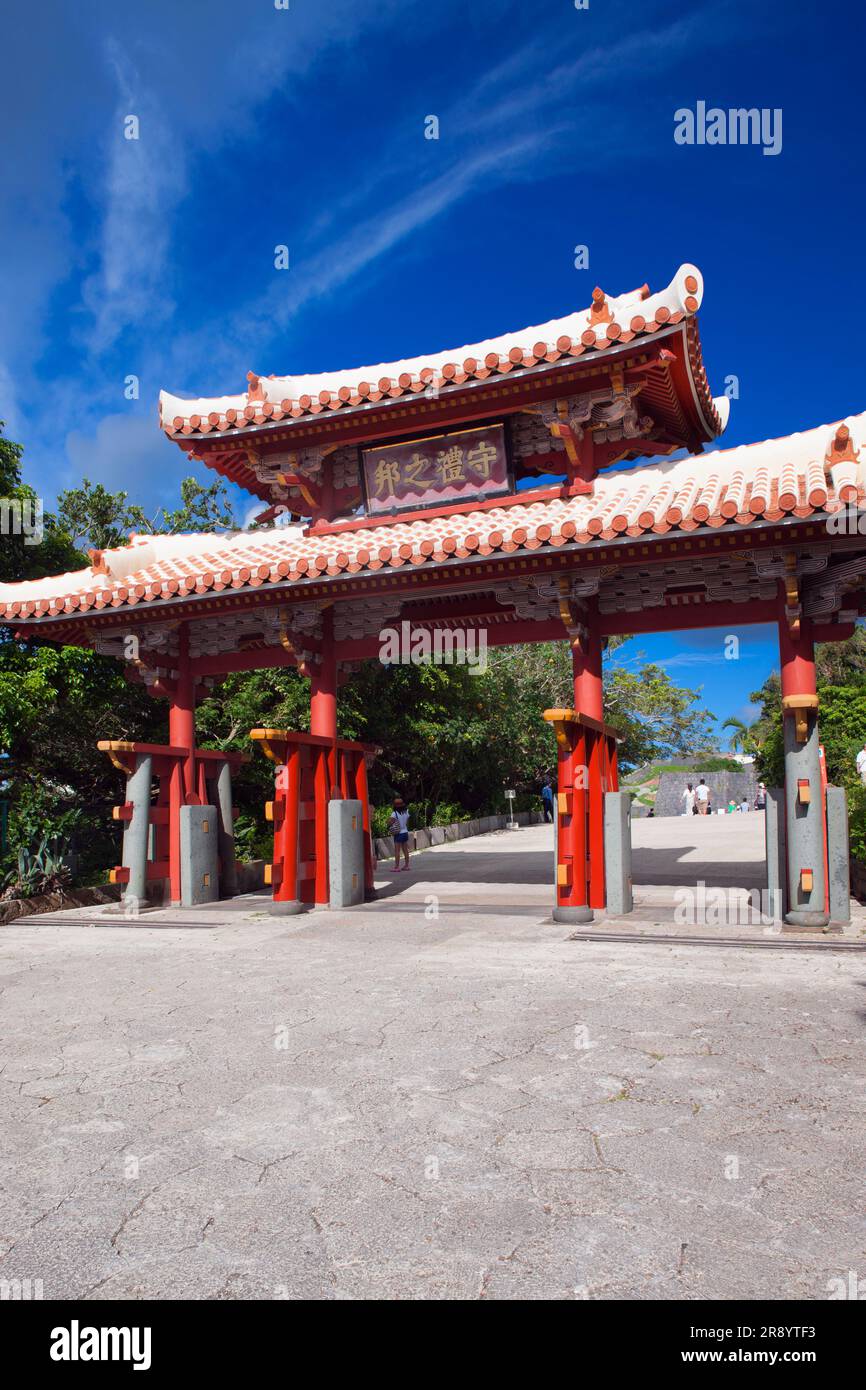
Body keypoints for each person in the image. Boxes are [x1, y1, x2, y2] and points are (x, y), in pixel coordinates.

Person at [389, 798, 411, 872]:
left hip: (398, 834)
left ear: (395, 805)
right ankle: (407, 865)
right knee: (405, 850)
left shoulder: (394, 813)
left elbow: (390, 822)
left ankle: (396, 867)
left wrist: (388, 821)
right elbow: (407, 822)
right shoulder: (406, 812)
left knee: (397, 851)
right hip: (405, 832)